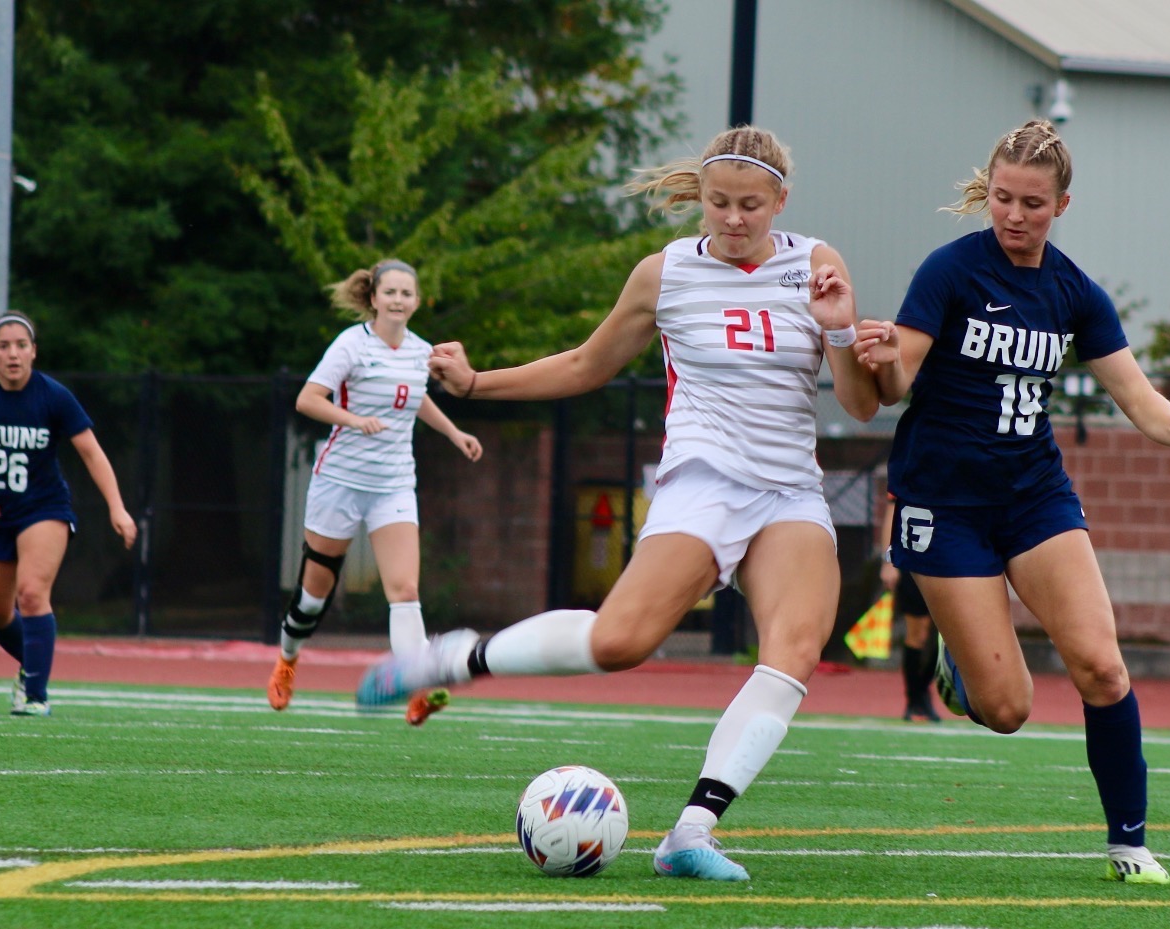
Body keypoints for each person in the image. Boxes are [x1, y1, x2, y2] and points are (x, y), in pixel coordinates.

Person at [355, 125, 880, 882]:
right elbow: (583, 364)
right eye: (718, 202)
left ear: (781, 202)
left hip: (790, 490)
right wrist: (475, 385)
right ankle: (456, 655)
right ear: (699, 198)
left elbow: (862, 406)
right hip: (701, 482)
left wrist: (839, 331)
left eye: (750, 206)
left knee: (794, 651)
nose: (733, 219)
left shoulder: (817, 264)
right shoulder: (664, 273)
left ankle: (691, 832)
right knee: (619, 642)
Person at [852, 119, 1170, 885]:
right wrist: (881, 359)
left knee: (1102, 667)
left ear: (1063, 205)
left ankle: (1129, 843)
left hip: (1034, 495)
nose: (1015, 216)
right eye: (1003, 199)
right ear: (988, 192)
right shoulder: (948, 272)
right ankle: (961, 660)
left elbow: (1135, 394)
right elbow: (895, 387)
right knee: (1007, 708)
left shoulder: (1073, 290)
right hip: (944, 504)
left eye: (1033, 204)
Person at [269, 259, 484, 726]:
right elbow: (308, 399)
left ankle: (416, 689)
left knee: (405, 590)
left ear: (417, 301)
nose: (399, 300)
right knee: (312, 596)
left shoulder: (421, 351)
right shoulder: (350, 345)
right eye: (391, 292)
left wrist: (454, 433)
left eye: (407, 293)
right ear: (373, 298)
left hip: (393, 486)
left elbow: (417, 396)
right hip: (339, 484)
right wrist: (354, 421)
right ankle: (288, 659)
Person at [0, 312, 137, 716]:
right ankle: (33, 667)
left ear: (34, 352)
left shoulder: (54, 396)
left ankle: (36, 695)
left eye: (21, 346)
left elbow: (92, 453)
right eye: (3, 346)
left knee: (32, 594)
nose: (13, 354)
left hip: (45, 509)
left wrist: (118, 508)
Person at [876, 491, 940, 722]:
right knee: (918, 633)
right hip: (913, 555)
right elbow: (892, 511)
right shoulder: (909, 462)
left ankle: (924, 692)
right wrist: (889, 561)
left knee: (945, 634)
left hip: (947, 555)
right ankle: (914, 700)